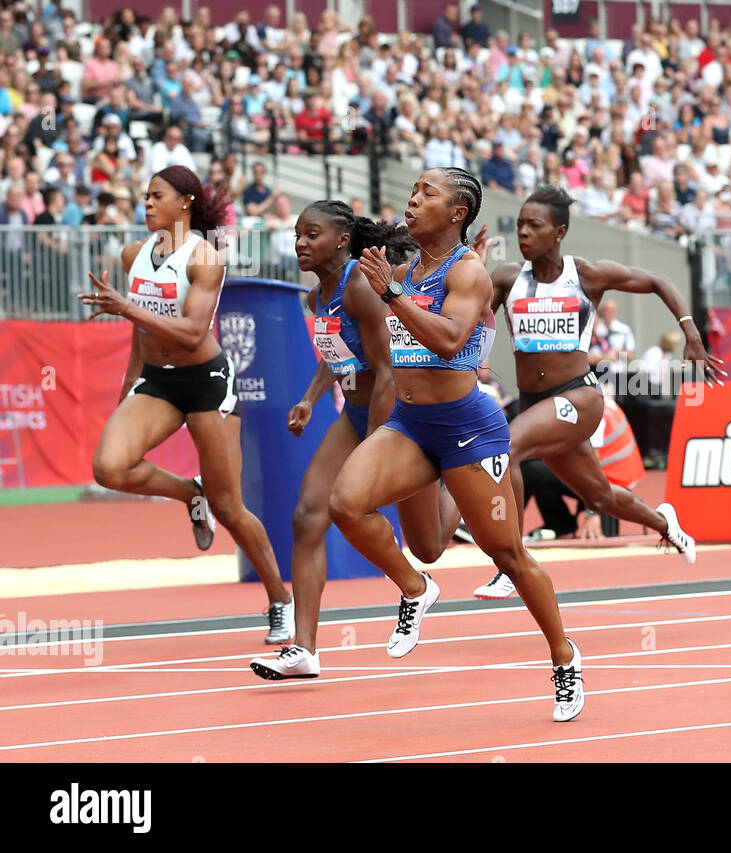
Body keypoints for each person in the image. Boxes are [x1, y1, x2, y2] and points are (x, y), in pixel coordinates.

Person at [330, 167, 585, 722]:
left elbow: (448, 341)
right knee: (354, 508)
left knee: (508, 555)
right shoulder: (403, 269)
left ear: (457, 214)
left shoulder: (467, 272)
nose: (414, 199)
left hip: (468, 428)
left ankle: (564, 657)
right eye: (413, 190)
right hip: (411, 425)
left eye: (428, 193)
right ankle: (416, 588)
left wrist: (392, 295)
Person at [463, 184, 716, 601]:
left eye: (535, 225)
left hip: (579, 397)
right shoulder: (507, 278)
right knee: (598, 494)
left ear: (559, 232)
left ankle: (512, 560)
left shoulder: (584, 276)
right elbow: (467, 318)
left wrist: (691, 333)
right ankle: (665, 523)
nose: (524, 233)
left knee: (505, 448)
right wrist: (469, 268)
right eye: (521, 225)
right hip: (535, 404)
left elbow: (658, 280)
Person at [77, 166, 293, 643]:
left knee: (230, 505)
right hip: (157, 380)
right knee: (109, 467)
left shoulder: (205, 259)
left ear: (186, 203)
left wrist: (128, 307)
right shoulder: (133, 253)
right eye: (145, 196)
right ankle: (188, 494)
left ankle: (281, 600)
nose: (146, 204)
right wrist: (127, 391)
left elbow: (194, 333)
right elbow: (141, 335)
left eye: (156, 196)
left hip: (205, 383)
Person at [249, 201, 456, 679]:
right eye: (297, 235)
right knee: (307, 518)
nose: (301, 243)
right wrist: (309, 397)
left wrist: (379, 441)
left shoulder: (360, 286)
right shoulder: (315, 297)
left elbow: (386, 370)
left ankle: (454, 485)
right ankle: (304, 650)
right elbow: (338, 353)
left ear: (342, 240)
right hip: (356, 412)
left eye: (312, 234)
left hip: (397, 411)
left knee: (429, 544)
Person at [521, 388, 646, 541]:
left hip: (610, 482)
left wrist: (593, 511)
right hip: (620, 476)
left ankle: (553, 524)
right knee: (541, 464)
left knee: (532, 470)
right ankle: (555, 524)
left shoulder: (591, 411)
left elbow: (595, 464)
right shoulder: (594, 396)